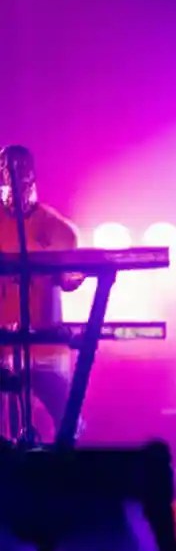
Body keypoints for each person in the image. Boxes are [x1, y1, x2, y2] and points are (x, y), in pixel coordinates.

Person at [0, 145, 85, 441]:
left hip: (45, 346)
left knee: (66, 418)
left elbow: (71, 279)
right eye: (8, 169)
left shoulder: (58, 229)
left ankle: (66, 475)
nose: (14, 176)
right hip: (1, 347)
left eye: (22, 169)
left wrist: (74, 275)